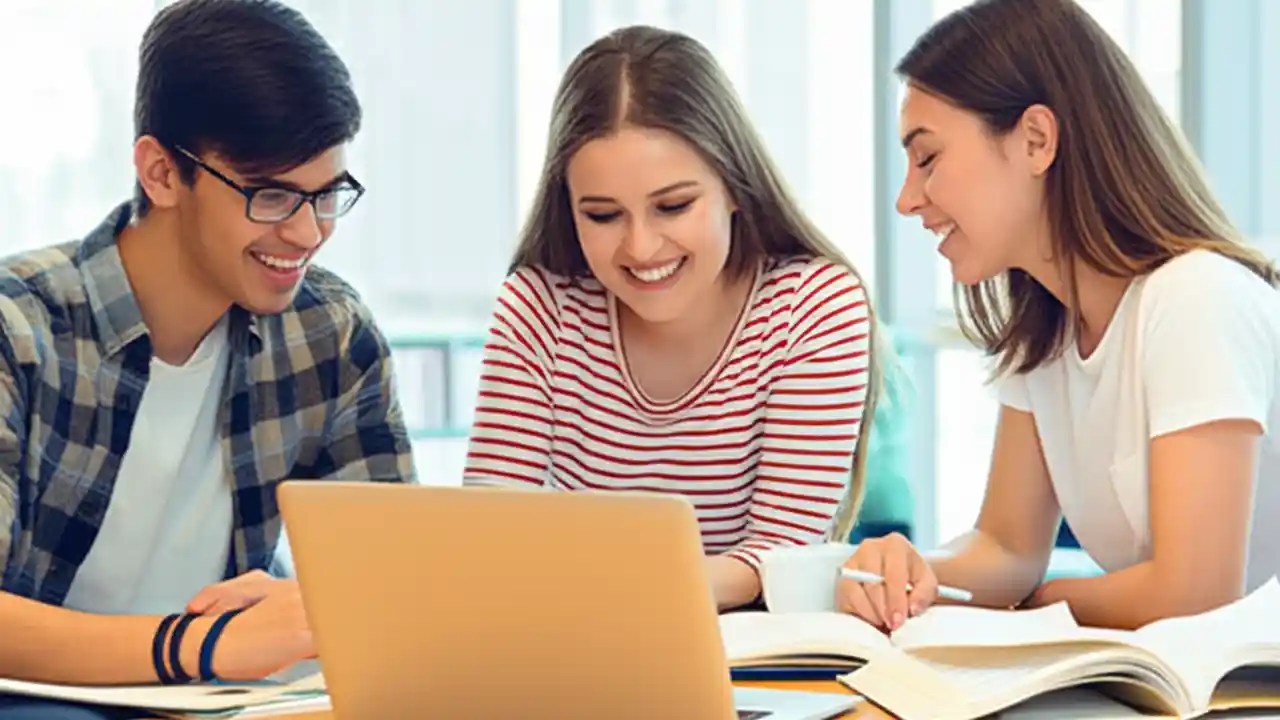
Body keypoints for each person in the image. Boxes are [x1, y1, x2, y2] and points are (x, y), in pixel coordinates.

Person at [0, 0, 414, 713]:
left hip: (228, 699)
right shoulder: (19, 328)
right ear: (162, 174)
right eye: (273, 195)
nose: (308, 233)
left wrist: (307, 609)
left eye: (327, 195)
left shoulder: (331, 334)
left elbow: (400, 588)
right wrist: (198, 646)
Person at [838, 0, 1280, 632]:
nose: (909, 200)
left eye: (928, 158)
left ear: (1036, 140)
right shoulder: (1046, 334)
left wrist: (1036, 606)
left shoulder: (1196, 299)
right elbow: (1008, 549)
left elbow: (1195, 594)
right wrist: (908, 572)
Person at [463, 25, 881, 612]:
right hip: (577, 643)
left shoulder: (813, 307)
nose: (641, 247)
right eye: (603, 215)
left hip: (752, 655)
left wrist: (622, 588)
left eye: (674, 206)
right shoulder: (539, 305)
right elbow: (490, 537)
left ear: (735, 185)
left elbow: (781, 555)